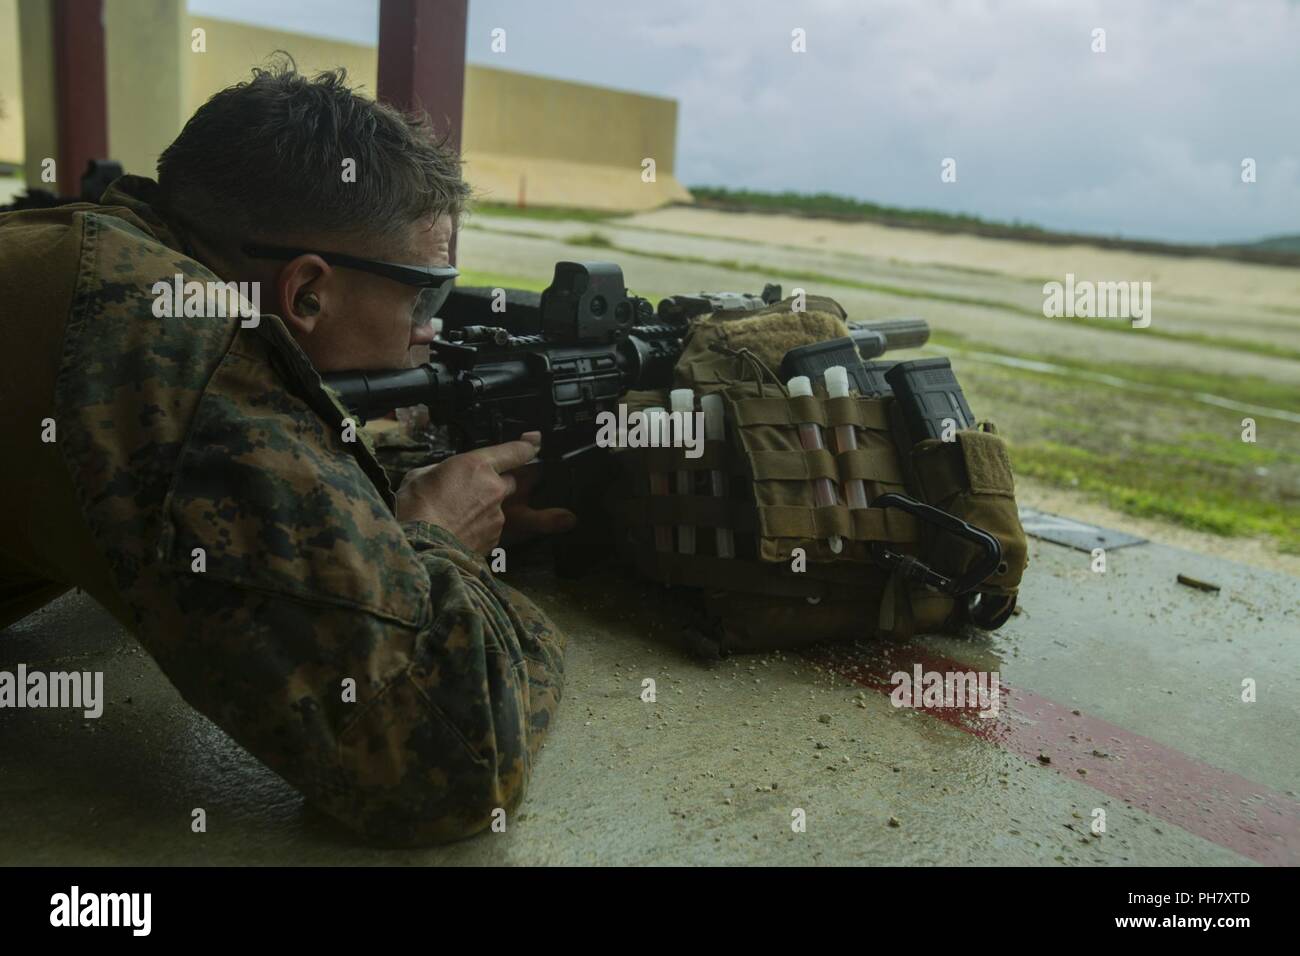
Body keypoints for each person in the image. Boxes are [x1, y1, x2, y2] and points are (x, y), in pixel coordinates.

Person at [0, 61, 573, 846]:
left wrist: (380, 495)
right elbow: (453, 761)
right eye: (425, 292)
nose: (429, 329)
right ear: (307, 292)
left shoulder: (99, 255)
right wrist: (438, 543)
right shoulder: (182, 350)